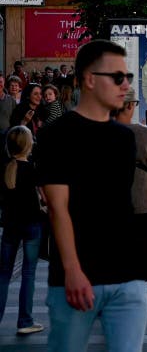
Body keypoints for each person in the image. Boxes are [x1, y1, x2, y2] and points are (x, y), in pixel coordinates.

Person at [37, 39, 147, 350]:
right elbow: (58, 208)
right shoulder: (56, 135)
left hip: (127, 278)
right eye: (116, 77)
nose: (124, 85)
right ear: (89, 79)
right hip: (76, 277)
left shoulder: (125, 138)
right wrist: (72, 270)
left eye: (127, 77)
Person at [113, 88, 147, 280]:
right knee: (142, 262)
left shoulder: (99, 132)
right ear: (129, 105)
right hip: (143, 203)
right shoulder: (144, 133)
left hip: (111, 206)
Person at [0, 126, 44, 335]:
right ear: (29, 145)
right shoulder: (33, 169)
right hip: (32, 224)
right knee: (28, 273)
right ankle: (25, 321)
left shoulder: (5, 168)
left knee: (4, 274)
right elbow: (43, 198)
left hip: (10, 225)